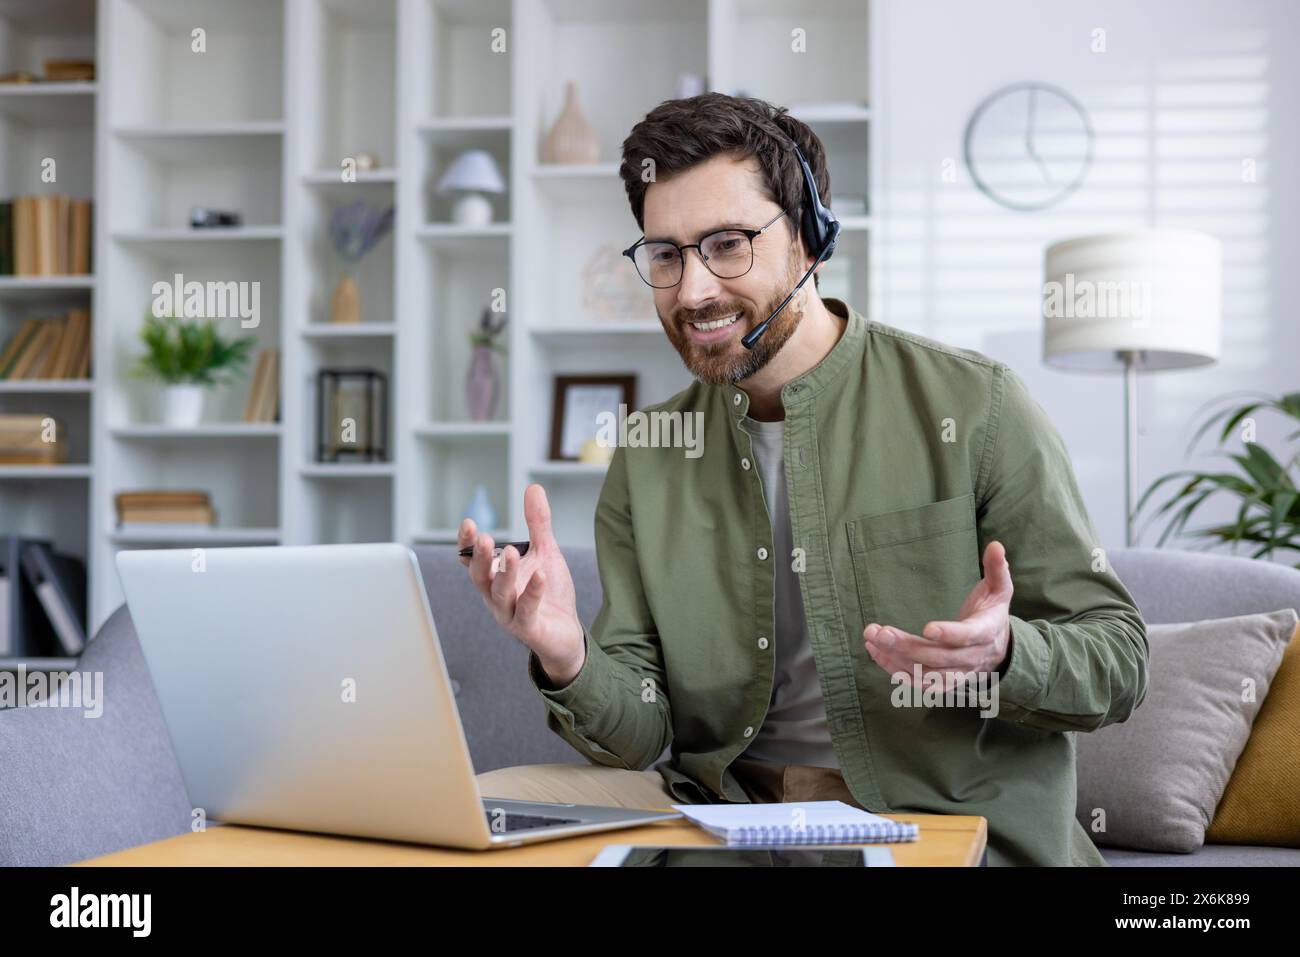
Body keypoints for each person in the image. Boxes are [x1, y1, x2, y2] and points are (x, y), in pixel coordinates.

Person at [459, 93, 1149, 866]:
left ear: (812, 239)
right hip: (720, 822)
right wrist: (567, 655)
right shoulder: (651, 450)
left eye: (727, 245)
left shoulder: (975, 404)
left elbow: (1119, 659)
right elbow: (643, 734)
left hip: (931, 827)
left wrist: (1004, 656)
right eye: (666, 255)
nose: (692, 292)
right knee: (474, 819)